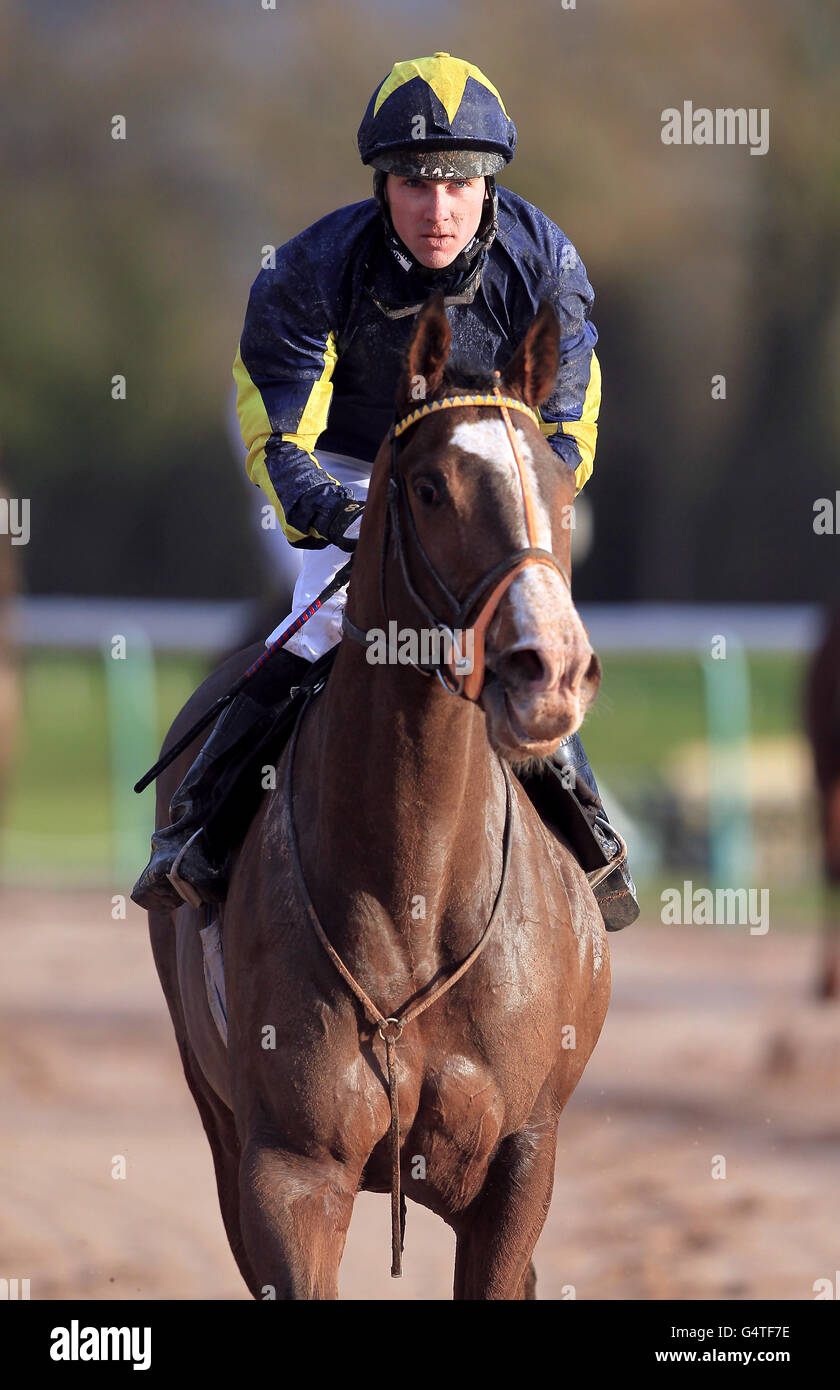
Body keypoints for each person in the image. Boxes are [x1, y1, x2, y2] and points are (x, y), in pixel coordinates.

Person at [132, 52, 639, 930]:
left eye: (458, 184)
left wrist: (520, 496)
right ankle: (199, 826)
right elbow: (278, 432)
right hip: (350, 465)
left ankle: (584, 824)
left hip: (489, 462)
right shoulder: (312, 269)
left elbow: (566, 428)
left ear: (489, 184)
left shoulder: (545, 262)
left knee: (527, 620)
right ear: (382, 185)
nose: (436, 210)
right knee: (320, 618)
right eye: (413, 184)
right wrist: (330, 510)